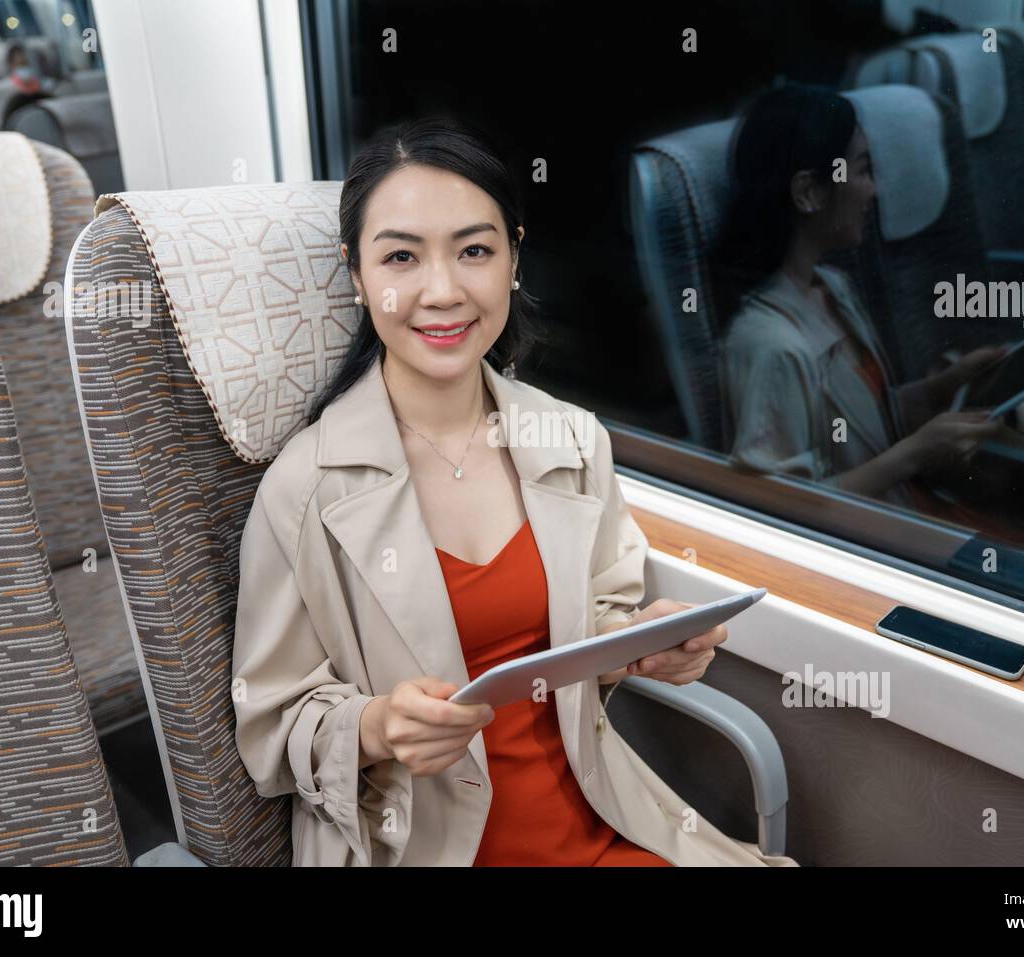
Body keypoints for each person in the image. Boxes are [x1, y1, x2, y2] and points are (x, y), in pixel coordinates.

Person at [231, 115, 797, 868]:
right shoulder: (303, 488)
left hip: (599, 825)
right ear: (358, 276)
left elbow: (588, 630)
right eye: (401, 256)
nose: (443, 290)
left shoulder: (570, 439)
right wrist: (375, 726)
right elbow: (270, 725)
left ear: (513, 261)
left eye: (474, 250)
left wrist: (644, 649)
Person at [714, 82, 1006, 511]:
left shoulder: (832, 288)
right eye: (863, 170)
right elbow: (780, 511)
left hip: (911, 507)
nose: (874, 190)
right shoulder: (773, 348)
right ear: (809, 193)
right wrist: (914, 454)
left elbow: (861, 430)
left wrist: (944, 385)